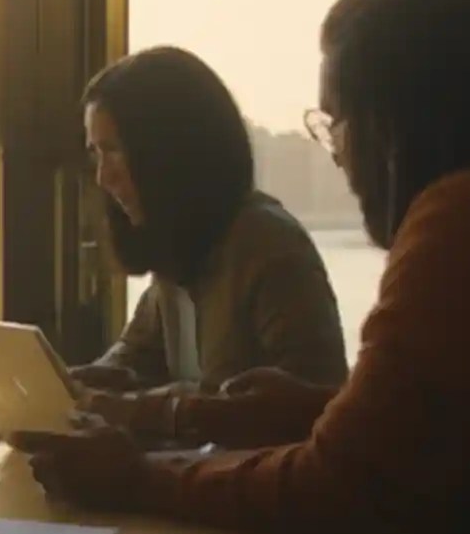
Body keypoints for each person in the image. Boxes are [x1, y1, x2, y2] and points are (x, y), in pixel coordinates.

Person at [14, 0, 470, 534]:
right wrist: (316, 410)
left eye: (338, 123)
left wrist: (137, 477)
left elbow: (340, 481)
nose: (337, 152)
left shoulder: (464, 224)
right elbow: (435, 432)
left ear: (391, 123)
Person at [71, 46, 347, 446]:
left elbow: (310, 412)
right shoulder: (178, 249)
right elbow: (134, 357)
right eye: (96, 153)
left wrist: (135, 408)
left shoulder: (269, 248)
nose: (102, 177)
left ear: (169, 150)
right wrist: (80, 386)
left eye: (113, 150)